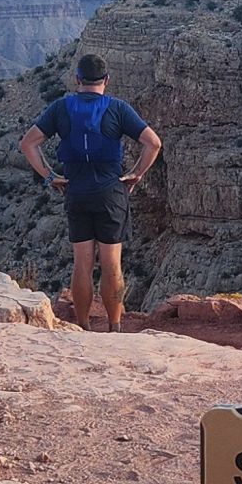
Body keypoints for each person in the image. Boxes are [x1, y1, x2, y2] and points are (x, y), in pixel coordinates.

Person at [19, 52, 163, 332]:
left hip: (76, 191)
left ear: (77, 80)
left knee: (82, 264)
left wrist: (50, 176)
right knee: (112, 265)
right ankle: (115, 326)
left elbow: (28, 144)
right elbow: (153, 143)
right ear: (107, 80)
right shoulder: (118, 108)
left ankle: (83, 326)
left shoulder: (62, 107)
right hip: (111, 192)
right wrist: (137, 174)